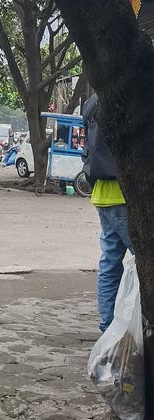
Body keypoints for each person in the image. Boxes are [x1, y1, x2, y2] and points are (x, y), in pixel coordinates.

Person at [82, 93, 132, 333]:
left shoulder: (92, 103)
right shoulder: (129, 93)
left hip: (102, 193)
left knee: (110, 264)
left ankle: (108, 328)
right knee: (145, 261)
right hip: (126, 194)